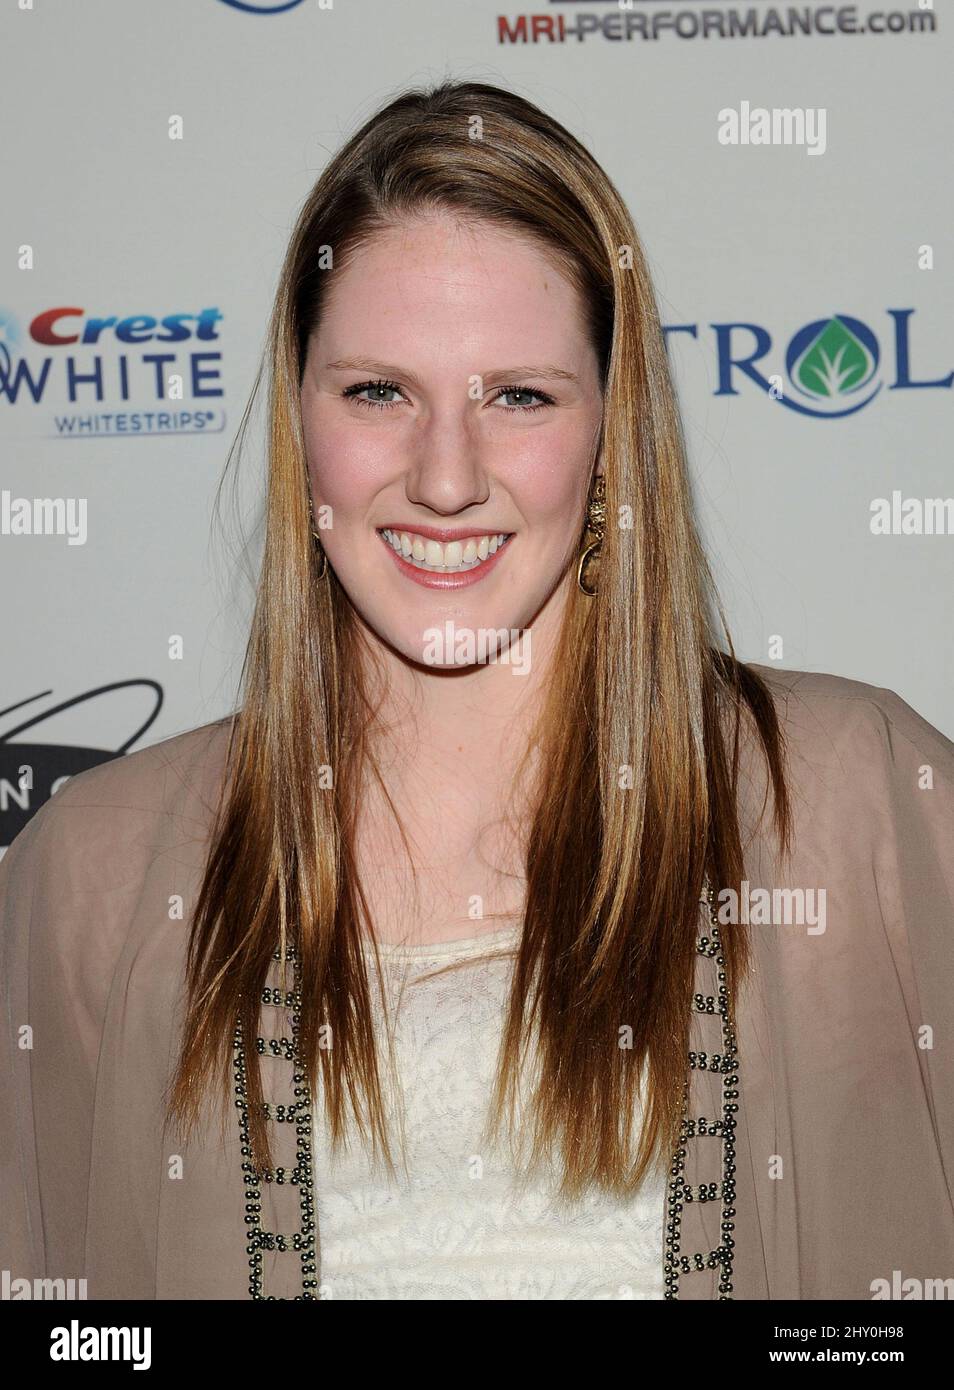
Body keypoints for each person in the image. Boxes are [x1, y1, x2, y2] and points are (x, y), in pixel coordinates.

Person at [1, 79, 952, 1303]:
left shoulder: (859, 803)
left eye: (519, 396)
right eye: (378, 391)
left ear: (614, 430)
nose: (445, 476)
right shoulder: (94, 874)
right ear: (300, 423)